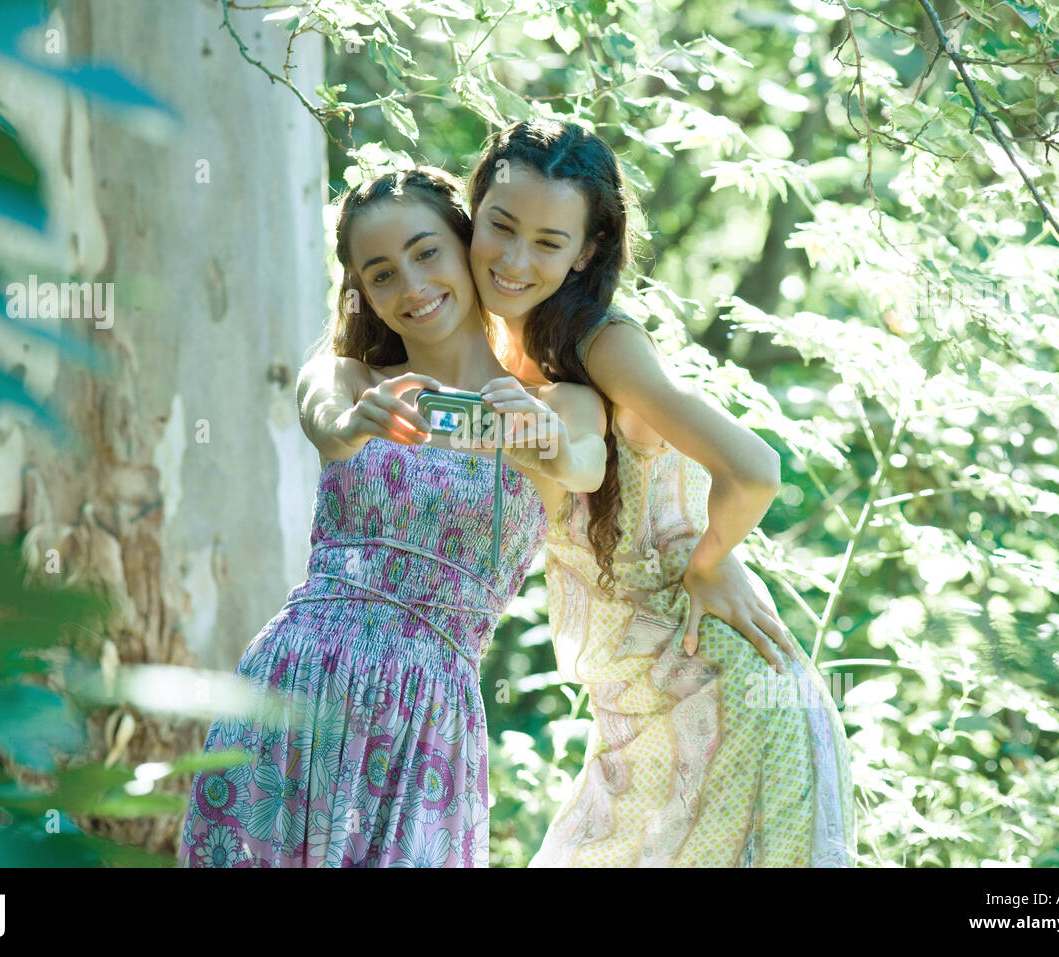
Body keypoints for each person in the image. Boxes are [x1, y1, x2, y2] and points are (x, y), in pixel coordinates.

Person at [178, 166, 605, 868]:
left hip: (431, 715)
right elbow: (325, 422)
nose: (410, 285)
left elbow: (586, 465)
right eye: (380, 274)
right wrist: (354, 425)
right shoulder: (348, 378)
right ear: (362, 293)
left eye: (426, 251)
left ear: (467, 247)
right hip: (297, 682)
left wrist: (546, 440)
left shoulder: (560, 405)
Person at [464, 119, 856, 866]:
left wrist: (709, 561)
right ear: (473, 211)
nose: (514, 259)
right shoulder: (501, 350)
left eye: (549, 242)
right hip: (640, 711)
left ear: (586, 252)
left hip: (718, 698)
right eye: (501, 226)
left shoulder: (601, 345)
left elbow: (755, 468)